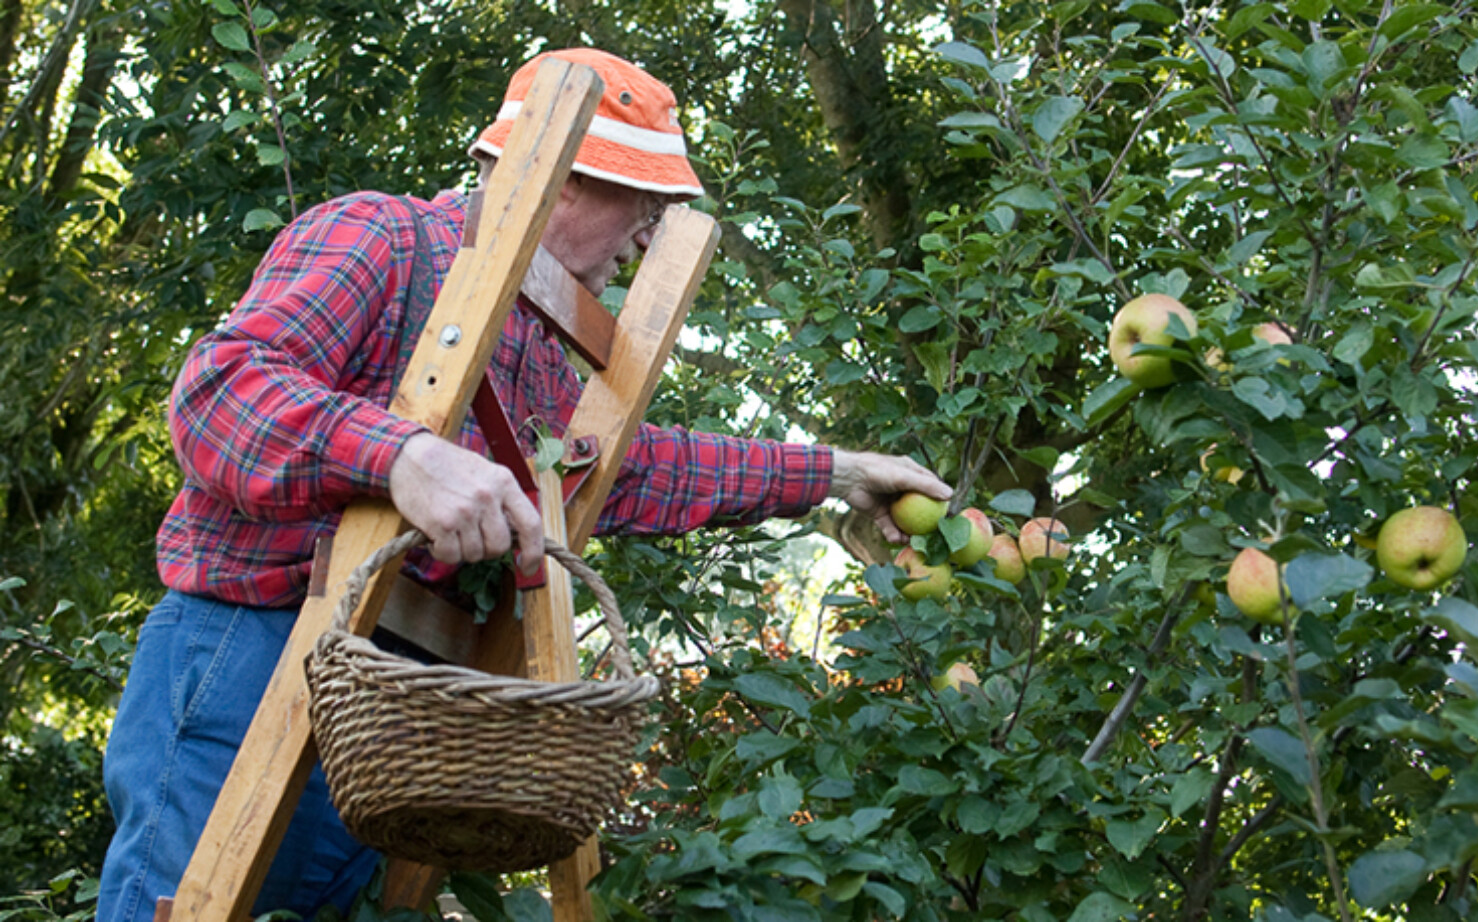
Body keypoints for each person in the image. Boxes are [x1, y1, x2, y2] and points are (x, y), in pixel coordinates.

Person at [96, 47, 950, 922]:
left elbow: (624, 473)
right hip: (253, 655)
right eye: (645, 204)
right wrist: (402, 457)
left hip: (394, 711)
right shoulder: (381, 238)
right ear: (567, 180)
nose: (652, 234)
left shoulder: (541, 345)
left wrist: (836, 474)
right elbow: (219, 393)